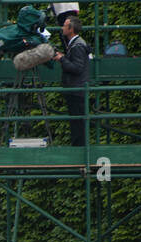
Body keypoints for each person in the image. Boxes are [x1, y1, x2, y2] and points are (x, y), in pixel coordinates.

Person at [54, 15, 90, 147]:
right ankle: (79, 150)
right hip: (76, 89)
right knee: (77, 123)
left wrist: (61, 59)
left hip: (76, 90)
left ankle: (80, 152)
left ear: (71, 29)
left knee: (78, 123)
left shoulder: (77, 46)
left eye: (64, 25)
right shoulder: (76, 44)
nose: (62, 28)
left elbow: (77, 68)